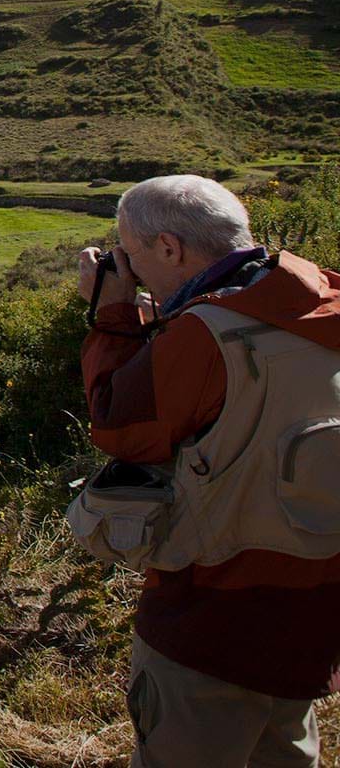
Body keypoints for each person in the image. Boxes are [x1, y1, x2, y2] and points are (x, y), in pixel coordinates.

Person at [77, 174, 340, 767]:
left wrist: (112, 312)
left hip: (214, 614)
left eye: (132, 255)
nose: (131, 268)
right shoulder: (321, 305)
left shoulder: (206, 334)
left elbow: (119, 426)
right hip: (315, 607)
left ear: (170, 248)